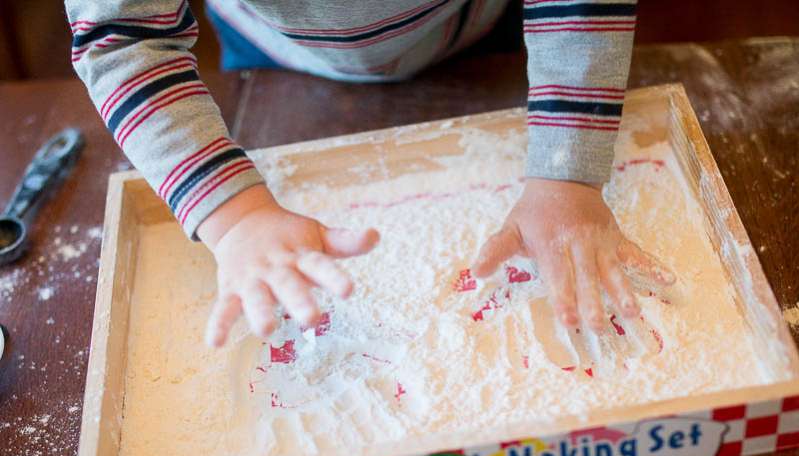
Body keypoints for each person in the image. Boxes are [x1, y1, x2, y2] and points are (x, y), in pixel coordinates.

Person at [66, 0, 673, 348]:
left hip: (479, 33)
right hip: (283, 58)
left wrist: (566, 174)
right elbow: (126, 38)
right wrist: (235, 215)